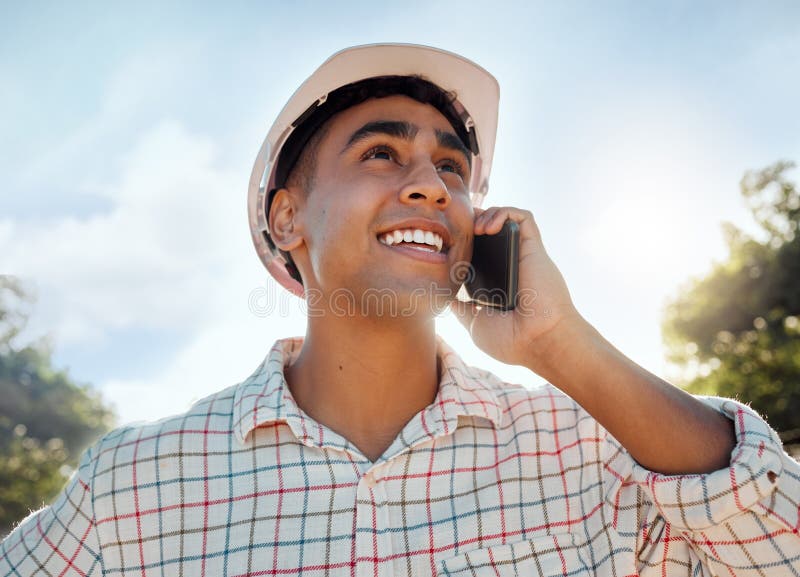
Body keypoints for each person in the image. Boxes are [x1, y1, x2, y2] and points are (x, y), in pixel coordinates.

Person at [2, 43, 798, 577]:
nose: (431, 184)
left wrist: (559, 342)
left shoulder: (595, 453)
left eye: (452, 167)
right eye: (381, 152)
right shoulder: (136, 485)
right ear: (287, 219)